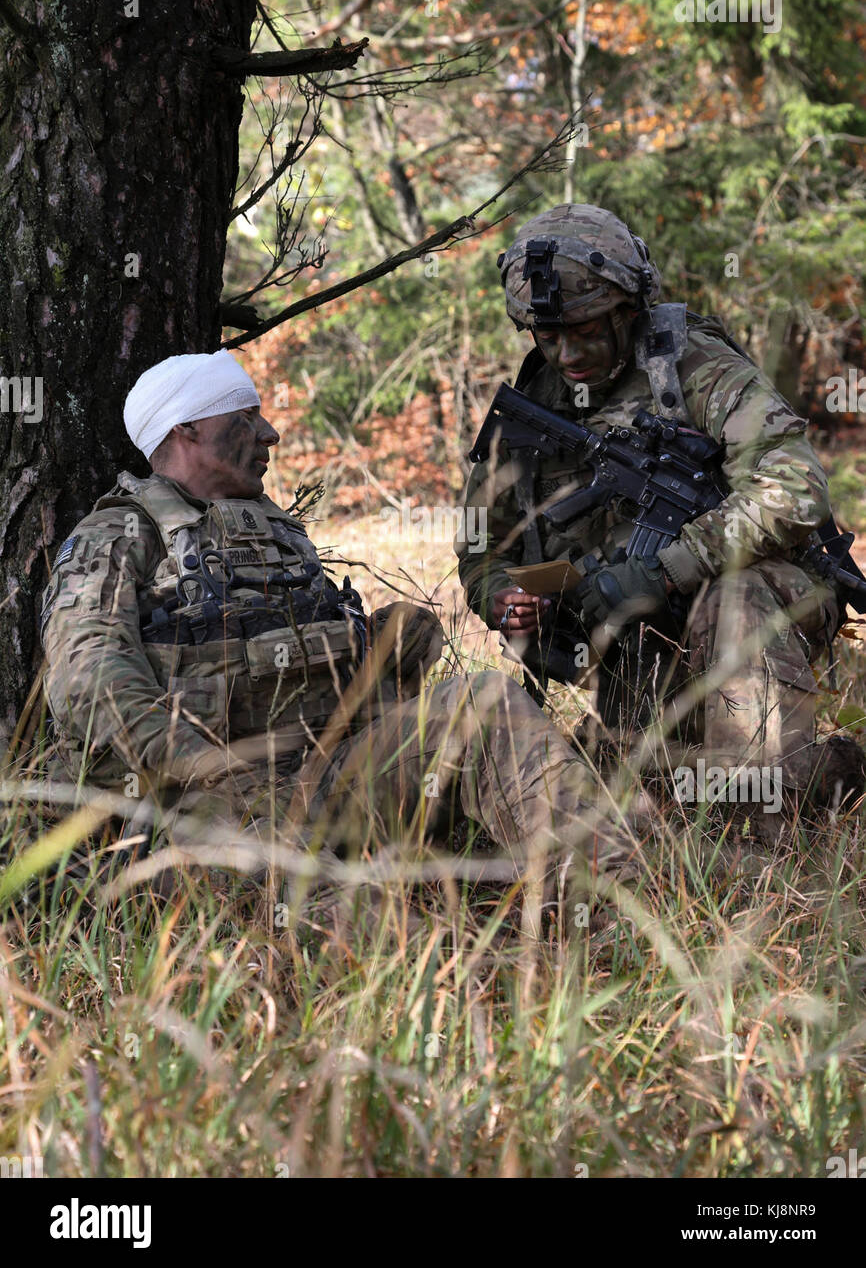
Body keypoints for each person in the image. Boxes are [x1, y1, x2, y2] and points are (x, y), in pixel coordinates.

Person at [39, 350, 640, 918]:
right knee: (374, 935)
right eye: (245, 418)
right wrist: (209, 772)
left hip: (321, 782)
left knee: (483, 704)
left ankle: (619, 896)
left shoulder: (277, 534)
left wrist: (381, 654)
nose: (270, 433)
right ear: (185, 431)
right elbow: (88, 685)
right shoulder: (115, 539)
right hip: (196, 810)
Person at [456, 203, 866, 811]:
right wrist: (504, 599)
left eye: (589, 329)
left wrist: (665, 568)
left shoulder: (694, 367)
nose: (568, 355)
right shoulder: (536, 397)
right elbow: (479, 543)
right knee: (646, 790)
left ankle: (788, 800)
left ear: (629, 309)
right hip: (629, 644)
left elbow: (795, 489)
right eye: (549, 337)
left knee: (736, 618)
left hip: (749, 605)